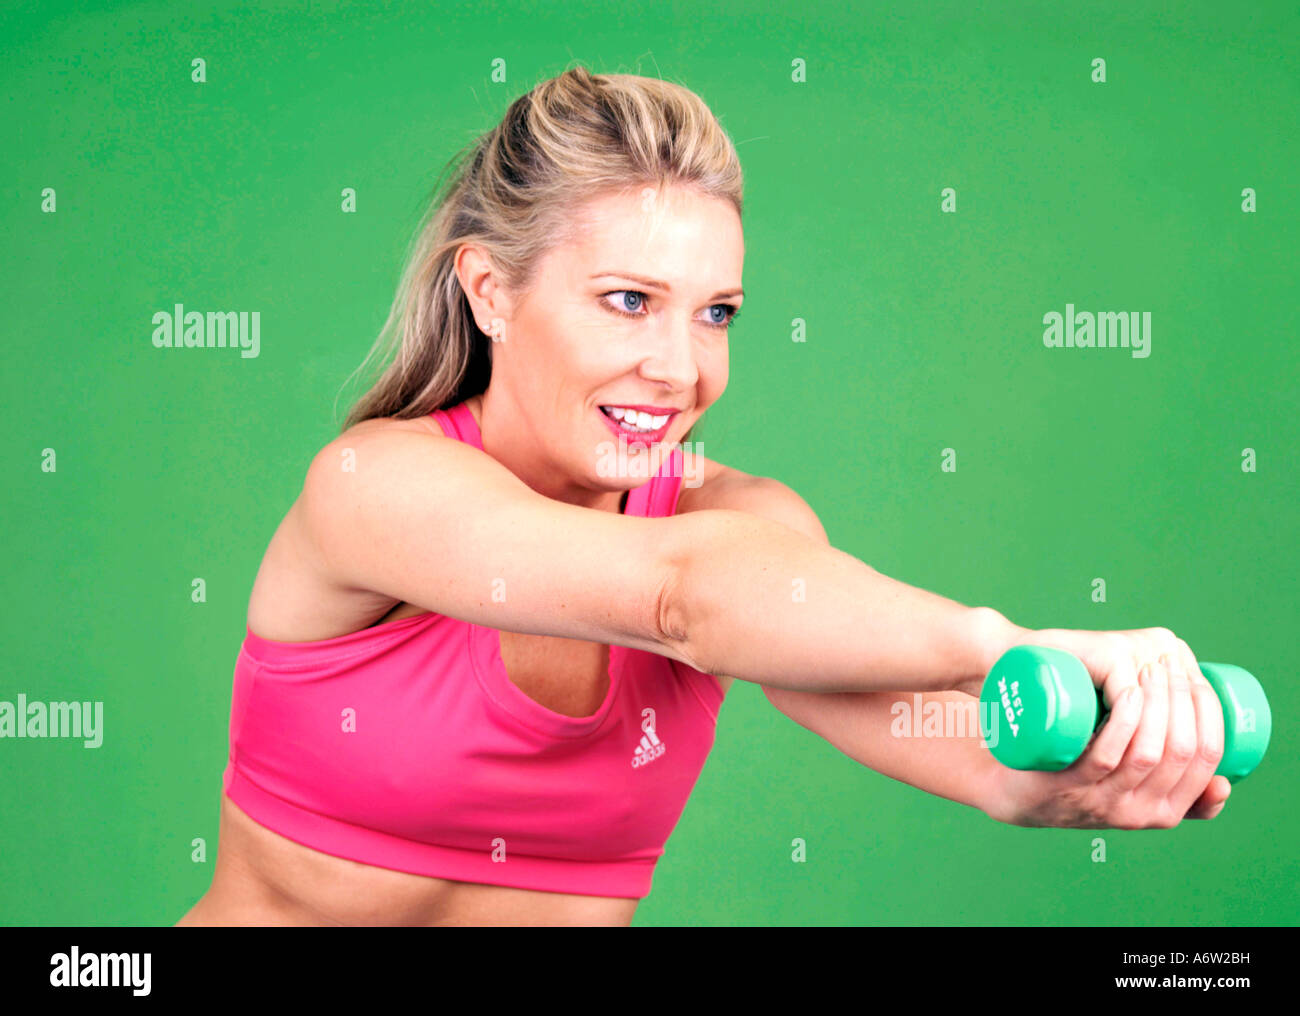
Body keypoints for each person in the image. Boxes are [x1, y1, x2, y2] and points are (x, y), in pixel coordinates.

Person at [176, 66, 1231, 927]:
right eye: (627, 301)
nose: (679, 369)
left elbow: (976, 755)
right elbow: (682, 598)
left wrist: (1091, 759)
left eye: (715, 312)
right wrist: (1006, 639)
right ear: (490, 290)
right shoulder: (375, 486)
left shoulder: (749, 530)